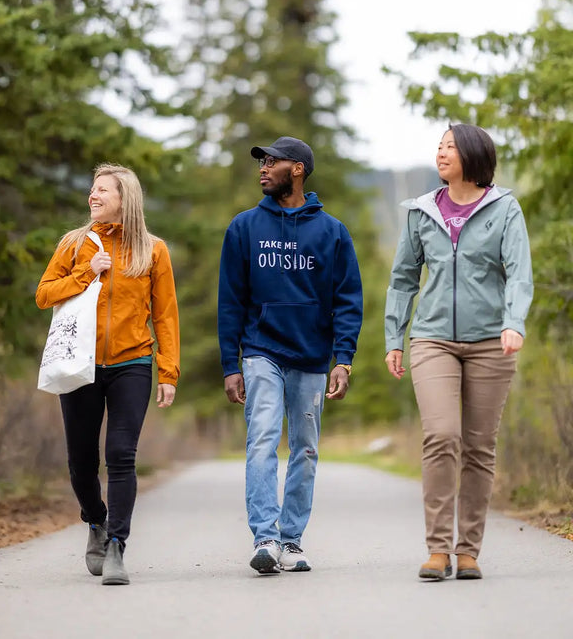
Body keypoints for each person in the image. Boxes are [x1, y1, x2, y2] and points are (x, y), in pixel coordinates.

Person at [385, 124, 533, 581]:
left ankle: (468, 551)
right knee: (442, 436)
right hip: (431, 339)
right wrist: (395, 337)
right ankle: (437, 549)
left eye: (450, 146)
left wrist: (514, 321)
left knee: (479, 447)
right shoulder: (421, 211)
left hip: (491, 341)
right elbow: (404, 278)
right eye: (439, 146)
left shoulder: (504, 208)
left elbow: (519, 272)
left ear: (471, 155)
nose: (441, 153)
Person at [218, 136, 363, 574]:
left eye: (272, 161)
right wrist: (231, 363)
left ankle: (292, 539)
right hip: (262, 350)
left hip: (312, 357)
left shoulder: (332, 232)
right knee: (262, 437)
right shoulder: (244, 228)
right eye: (261, 162)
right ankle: (264, 536)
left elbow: (348, 299)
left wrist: (343, 358)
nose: (263, 168)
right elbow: (230, 301)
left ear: (297, 169)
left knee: (305, 449)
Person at [36, 163, 180, 586]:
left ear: (124, 198)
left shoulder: (153, 250)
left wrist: (168, 371)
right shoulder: (74, 244)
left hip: (132, 364)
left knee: (121, 455)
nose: (92, 196)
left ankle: (117, 545)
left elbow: (167, 317)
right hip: (80, 363)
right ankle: (96, 522)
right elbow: (44, 294)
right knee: (81, 462)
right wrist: (86, 272)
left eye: (102, 190)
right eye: (92, 190)